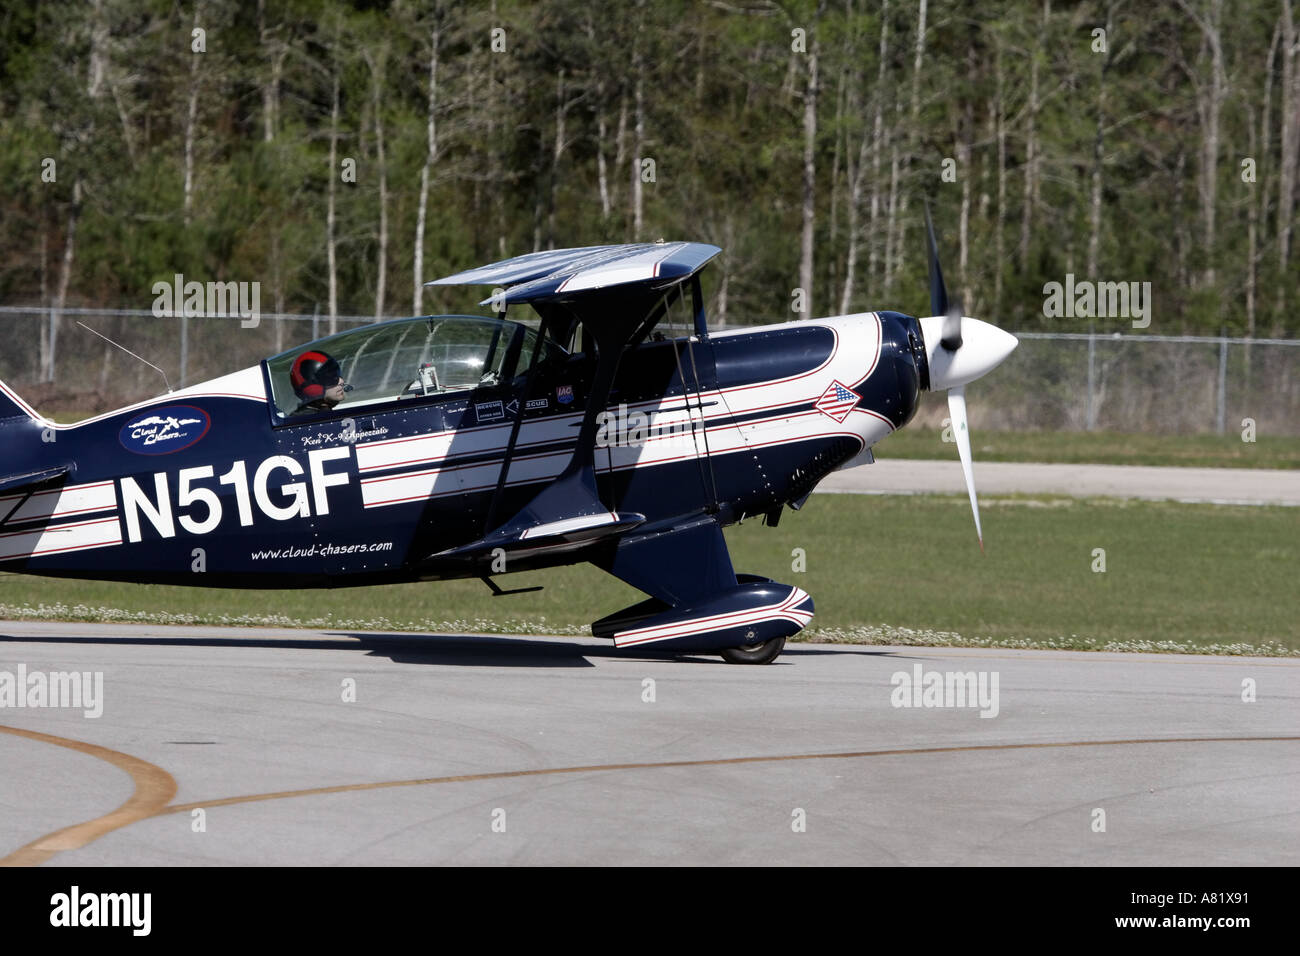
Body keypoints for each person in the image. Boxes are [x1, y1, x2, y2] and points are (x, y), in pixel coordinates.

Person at [289, 350, 348, 415]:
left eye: (337, 373)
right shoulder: (305, 422)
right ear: (311, 387)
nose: (341, 381)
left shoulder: (321, 416)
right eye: (331, 378)